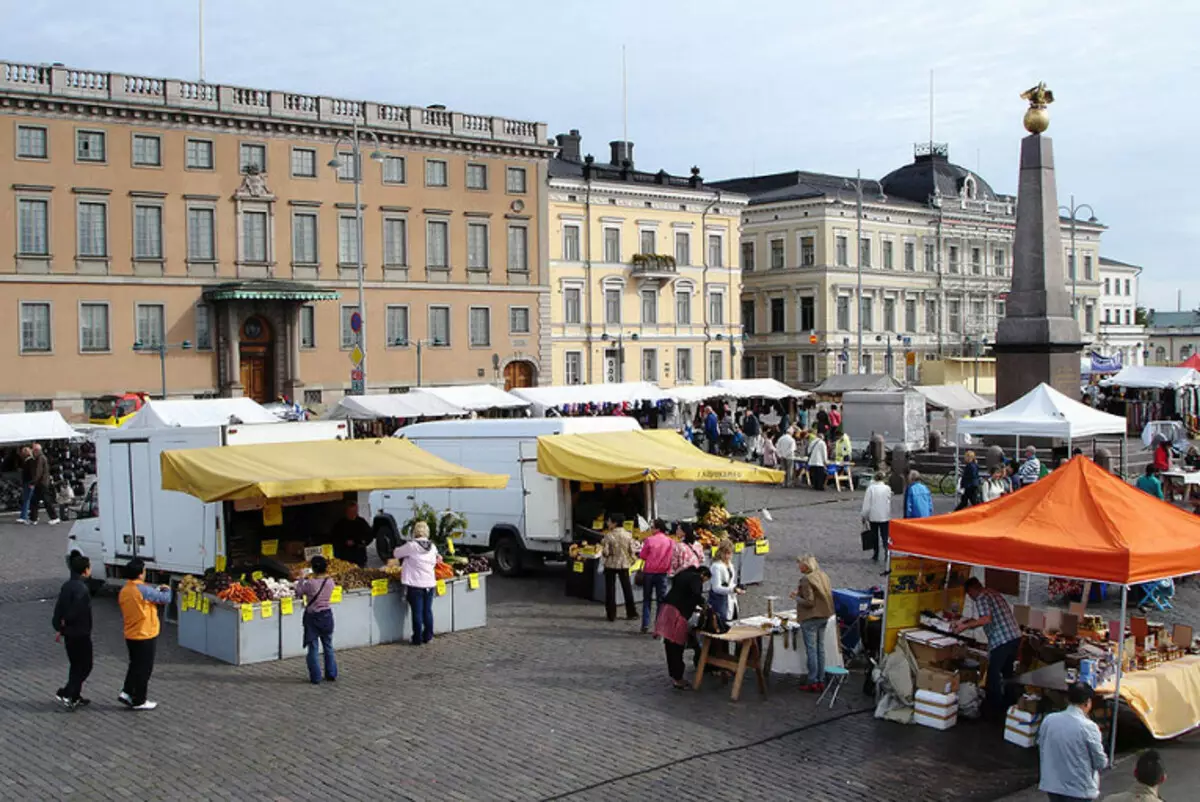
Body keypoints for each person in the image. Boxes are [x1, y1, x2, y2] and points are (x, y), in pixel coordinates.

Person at [953, 577, 1021, 714]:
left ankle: (994, 709)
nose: (970, 598)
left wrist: (962, 628)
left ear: (972, 590)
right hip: (1014, 636)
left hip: (1001, 639)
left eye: (969, 594)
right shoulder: (992, 592)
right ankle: (1010, 705)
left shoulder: (981, 597)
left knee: (993, 674)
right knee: (1007, 672)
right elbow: (986, 617)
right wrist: (965, 623)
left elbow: (986, 619)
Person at [1038, 681, 1107, 801]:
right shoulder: (1089, 727)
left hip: (1053, 786)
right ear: (1087, 703)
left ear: (1067, 700)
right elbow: (1100, 762)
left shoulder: (1049, 720)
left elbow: (1042, 746)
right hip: (1078, 790)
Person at [117, 558, 171, 710]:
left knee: (134, 665)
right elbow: (165, 599)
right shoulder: (143, 589)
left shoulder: (125, 590)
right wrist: (167, 588)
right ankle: (139, 699)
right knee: (144, 668)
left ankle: (127, 691)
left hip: (131, 633)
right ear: (140, 574)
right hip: (145, 634)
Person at [654, 565, 712, 690]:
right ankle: (678, 677)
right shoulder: (696, 579)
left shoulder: (683, 574)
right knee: (677, 645)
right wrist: (704, 604)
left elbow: (683, 592)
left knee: (669, 644)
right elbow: (696, 594)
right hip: (677, 614)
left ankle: (674, 675)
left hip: (667, 610)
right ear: (703, 575)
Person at [52, 553, 93, 710]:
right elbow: (76, 612)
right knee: (85, 665)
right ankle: (68, 692)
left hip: (69, 634)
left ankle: (75, 695)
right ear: (85, 570)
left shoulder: (67, 586)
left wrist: (60, 627)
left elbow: (59, 609)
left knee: (75, 665)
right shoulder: (82, 590)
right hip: (80, 633)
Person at [393, 520, 441, 645]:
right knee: (427, 611)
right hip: (429, 584)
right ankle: (428, 635)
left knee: (417, 612)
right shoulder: (433, 547)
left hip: (415, 584)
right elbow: (438, 559)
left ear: (415, 532)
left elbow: (396, 553)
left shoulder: (412, 546)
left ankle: (417, 638)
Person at [792, 555, 834, 692]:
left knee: (811, 650)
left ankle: (812, 680)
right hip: (824, 615)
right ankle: (821, 679)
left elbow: (809, 602)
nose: (798, 567)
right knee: (820, 648)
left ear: (805, 566)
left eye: (799, 564)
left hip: (811, 618)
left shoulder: (806, 579)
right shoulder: (823, 575)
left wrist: (796, 597)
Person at [295, 555, 338, 683]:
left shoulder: (311, 584)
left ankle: (316, 676)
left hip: (313, 617)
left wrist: (302, 578)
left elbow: (298, 592)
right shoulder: (330, 582)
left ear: (313, 568)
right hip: (327, 616)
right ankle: (331, 673)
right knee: (328, 646)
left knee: (313, 648)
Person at [638, 520, 675, 634]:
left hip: (649, 572)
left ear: (658, 529)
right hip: (662, 573)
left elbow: (642, 555)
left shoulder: (649, 540)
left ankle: (645, 624)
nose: (651, 530)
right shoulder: (670, 541)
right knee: (661, 601)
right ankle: (659, 626)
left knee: (647, 599)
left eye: (652, 527)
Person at [600, 514, 638, 622]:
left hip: (611, 565)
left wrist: (604, 549)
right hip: (624, 564)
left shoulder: (609, 536)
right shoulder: (628, 535)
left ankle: (611, 615)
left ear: (614, 523)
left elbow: (606, 552)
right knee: (627, 588)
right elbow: (632, 551)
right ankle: (631, 612)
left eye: (609, 521)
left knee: (610, 590)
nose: (608, 523)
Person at [708, 538, 742, 624]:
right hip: (720, 602)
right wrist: (732, 590)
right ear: (720, 552)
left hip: (731, 600)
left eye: (730, 553)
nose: (728, 556)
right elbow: (716, 588)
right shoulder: (716, 566)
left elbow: (731, 582)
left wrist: (737, 588)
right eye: (725, 553)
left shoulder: (730, 564)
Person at [861, 470, 893, 562]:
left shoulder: (871, 489)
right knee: (885, 535)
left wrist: (864, 515)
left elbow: (867, 504)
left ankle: (876, 554)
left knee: (874, 535)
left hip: (873, 515)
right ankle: (887, 551)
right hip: (884, 515)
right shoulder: (887, 488)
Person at [331, 500, 373, 567]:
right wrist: (345, 542)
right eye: (350, 512)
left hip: (360, 558)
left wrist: (360, 542)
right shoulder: (340, 524)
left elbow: (369, 536)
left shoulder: (362, 522)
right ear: (346, 511)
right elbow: (335, 539)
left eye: (355, 511)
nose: (353, 514)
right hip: (345, 559)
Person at [27, 443, 61, 525]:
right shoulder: (40, 458)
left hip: (42, 483)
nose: (32, 451)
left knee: (46, 501)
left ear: (36, 450)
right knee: (35, 501)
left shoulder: (40, 458)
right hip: (42, 483)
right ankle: (33, 518)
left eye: (33, 450)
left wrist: (33, 482)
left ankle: (54, 517)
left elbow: (38, 472)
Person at [16, 446, 35, 525]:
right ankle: (30, 515)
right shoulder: (28, 461)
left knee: (26, 499)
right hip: (28, 482)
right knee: (29, 499)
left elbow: (32, 473)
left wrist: (32, 483)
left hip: (29, 482)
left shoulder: (30, 461)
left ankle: (24, 516)